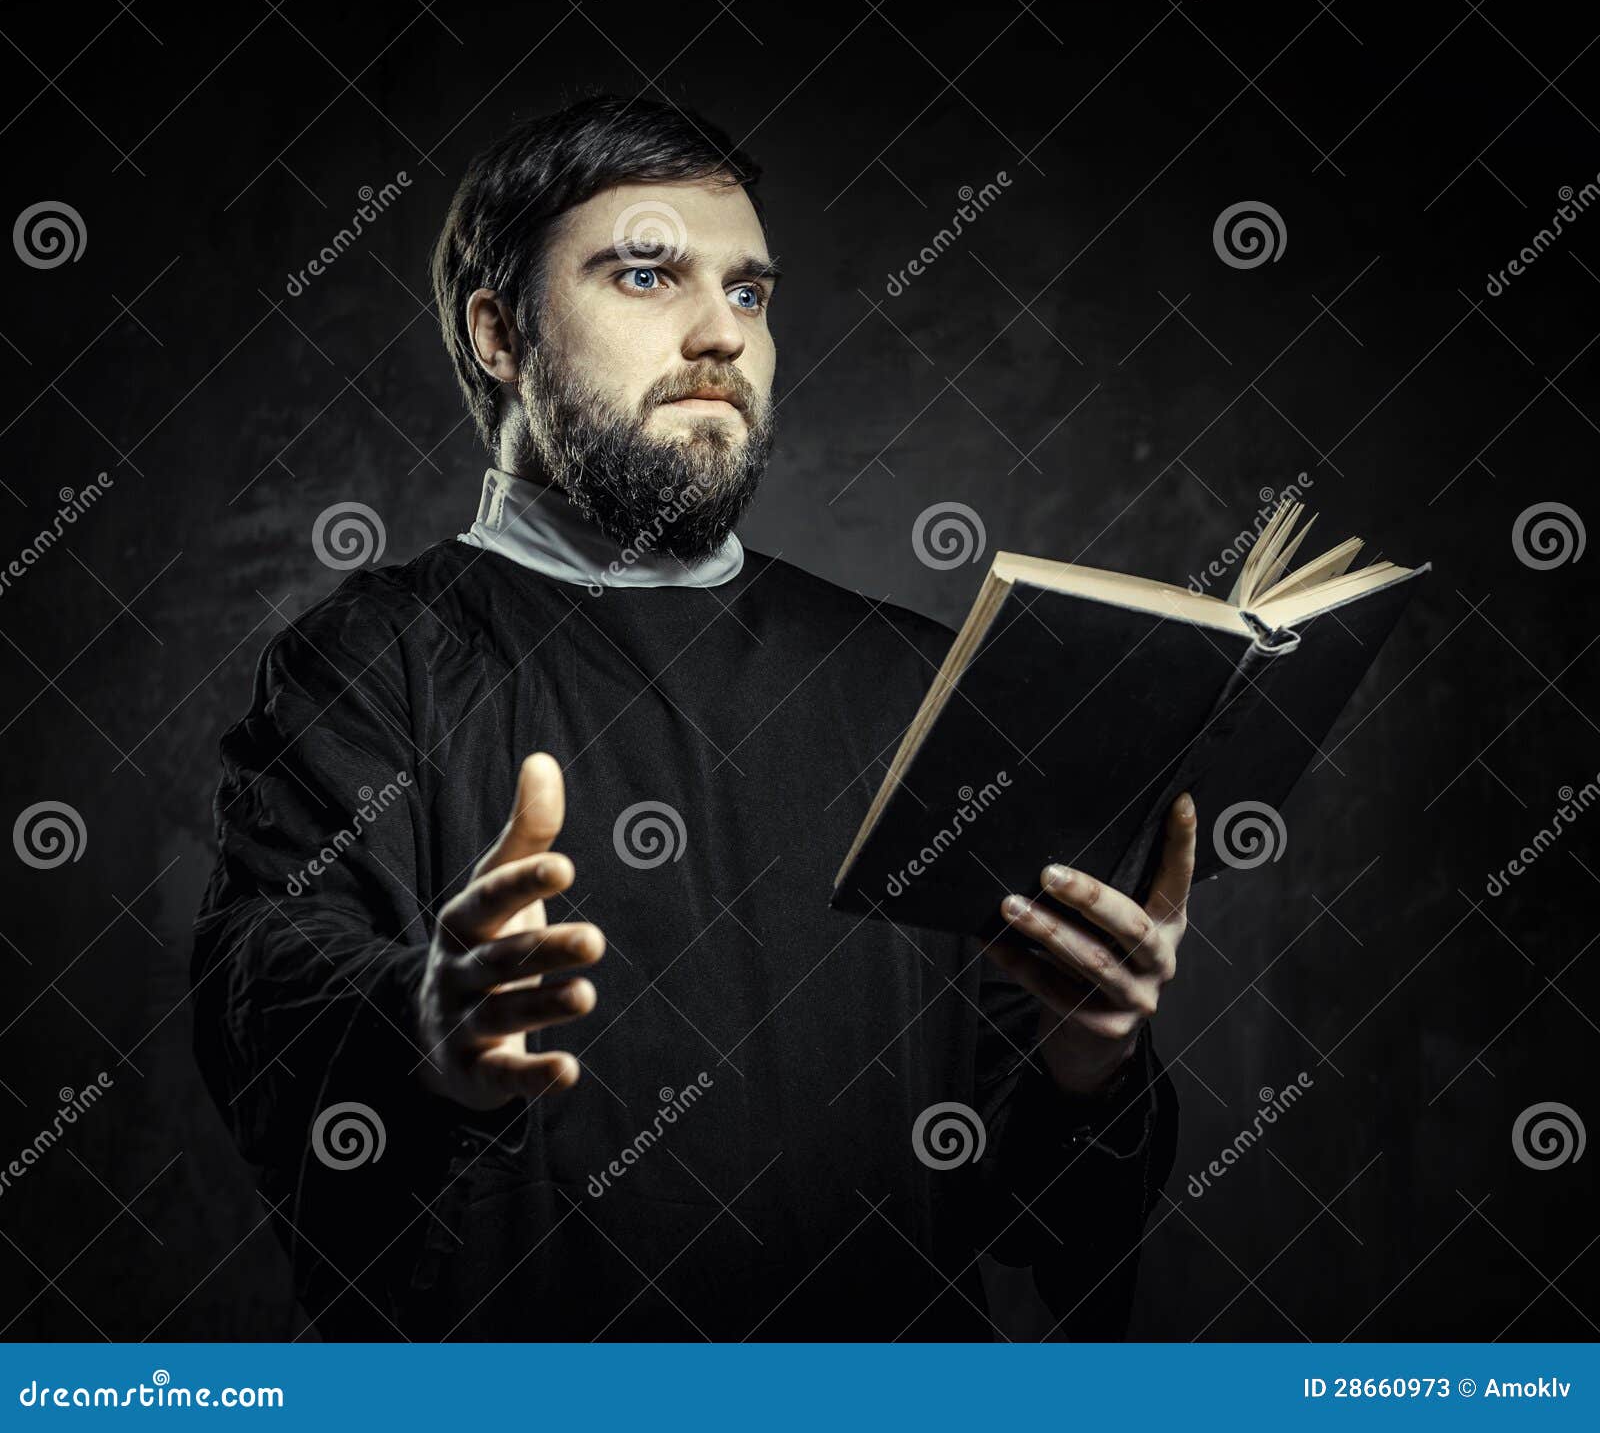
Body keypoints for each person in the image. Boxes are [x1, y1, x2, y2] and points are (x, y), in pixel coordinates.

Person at [192, 93, 1191, 1342]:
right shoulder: (371, 663)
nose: (721, 331)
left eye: (751, 293)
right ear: (501, 334)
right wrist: (424, 1029)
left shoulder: (915, 683)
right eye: (649, 274)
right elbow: (261, 988)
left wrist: (1089, 1060)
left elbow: (1040, 1207)